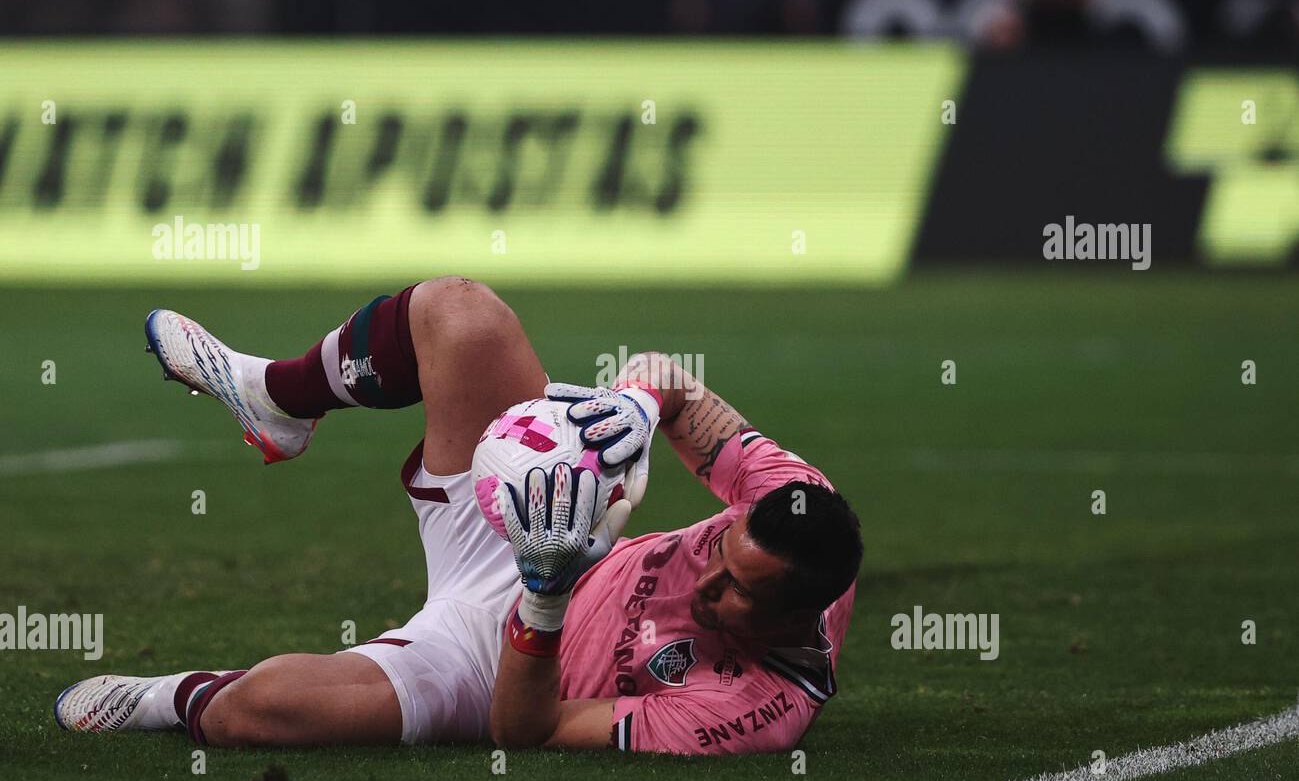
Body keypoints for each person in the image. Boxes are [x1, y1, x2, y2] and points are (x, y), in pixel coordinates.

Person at [54, 277, 862, 754]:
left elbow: (528, 729)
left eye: (739, 593)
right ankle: (276, 398)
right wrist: (641, 403)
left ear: (798, 614)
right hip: (548, 521)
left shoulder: (748, 710)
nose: (707, 579)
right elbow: (675, 382)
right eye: (720, 550)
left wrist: (545, 597)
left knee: (260, 711)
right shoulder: (790, 496)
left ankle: (167, 696)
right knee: (461, 311)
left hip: (503, 657)